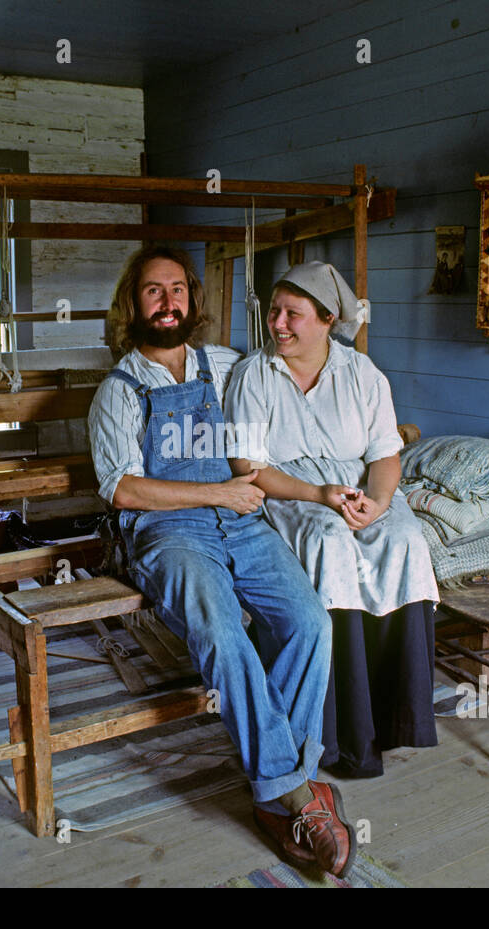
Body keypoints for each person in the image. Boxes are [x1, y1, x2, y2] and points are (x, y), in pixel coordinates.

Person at [87, 244, 355, 876]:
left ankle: (273, 790)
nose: (167, 301)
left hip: (242, 522)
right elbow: (123, 488)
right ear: (134, 303)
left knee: (309, 622)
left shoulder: (225, 364)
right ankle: (297, 793)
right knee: (222, 634)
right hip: (169, 535)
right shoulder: (117, 390)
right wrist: (218, 493)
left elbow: (290, 364)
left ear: (192, 300)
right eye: (153, 291)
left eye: (177, 289)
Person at [225, 261, 441, 778]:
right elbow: (246, 466)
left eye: (292, 314)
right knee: (330, 542)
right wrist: (318, 494)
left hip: (355, 487)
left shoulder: (362, 373)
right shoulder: (255, 374)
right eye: (274, 311)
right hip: (289, 489)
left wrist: (379, 503)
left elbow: (386, 455)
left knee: (407, 539)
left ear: (326, 320)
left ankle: (395, 722)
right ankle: (339, 737)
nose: (277, 323)